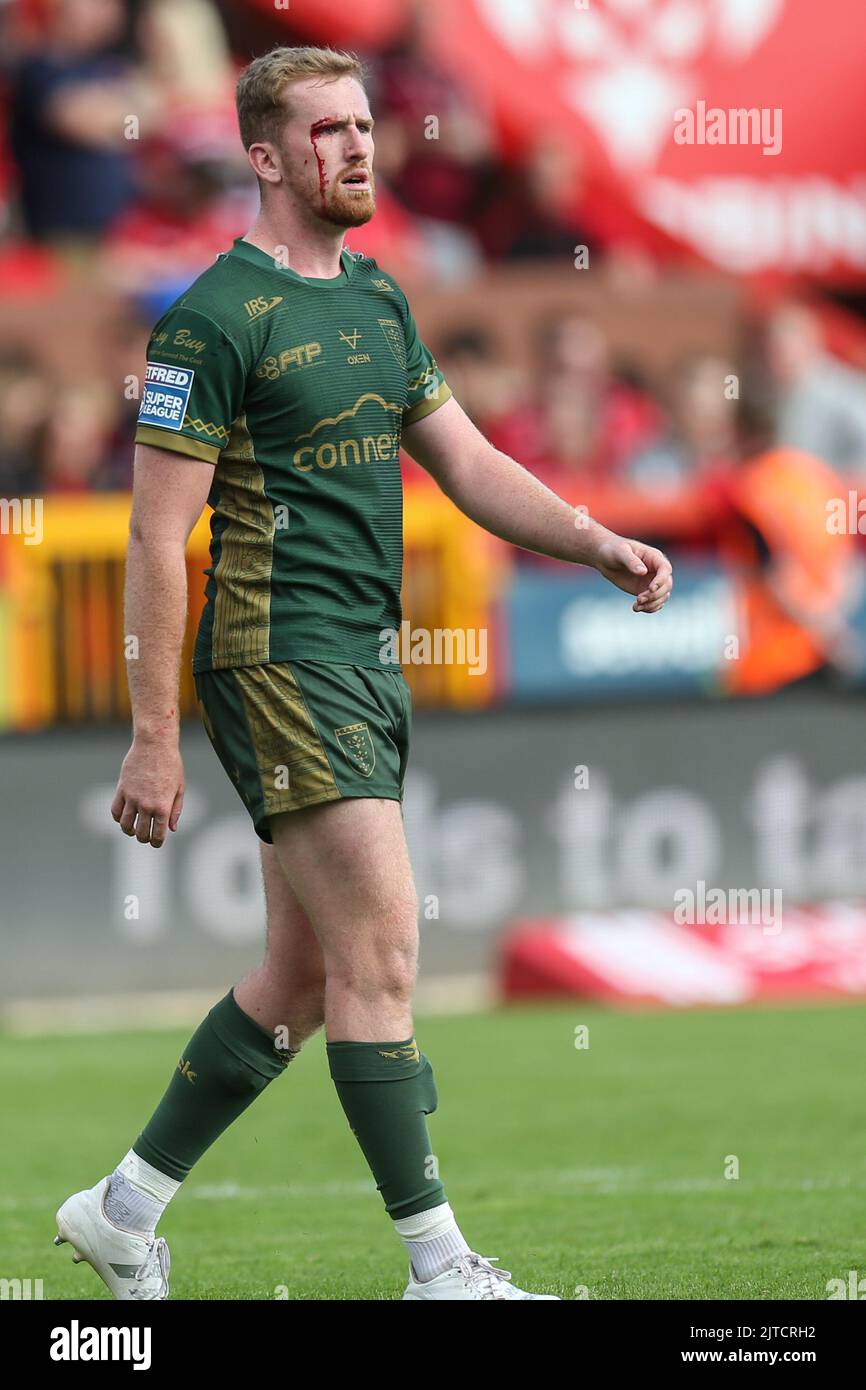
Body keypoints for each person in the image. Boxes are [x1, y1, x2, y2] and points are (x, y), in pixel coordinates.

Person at [54, 45, 673, 1302]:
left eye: (363, 124)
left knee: (298, 981)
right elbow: (151, 535)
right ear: (267, 157)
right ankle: (437, 1269)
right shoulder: (212, 317)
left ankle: (124, 1210)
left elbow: (473, 464)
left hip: (364, 662)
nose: (357, 146)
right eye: (327, 129)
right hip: (276, 658)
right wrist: (153, 733)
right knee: (384, 953)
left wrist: (594, 537)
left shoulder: (381, 303)